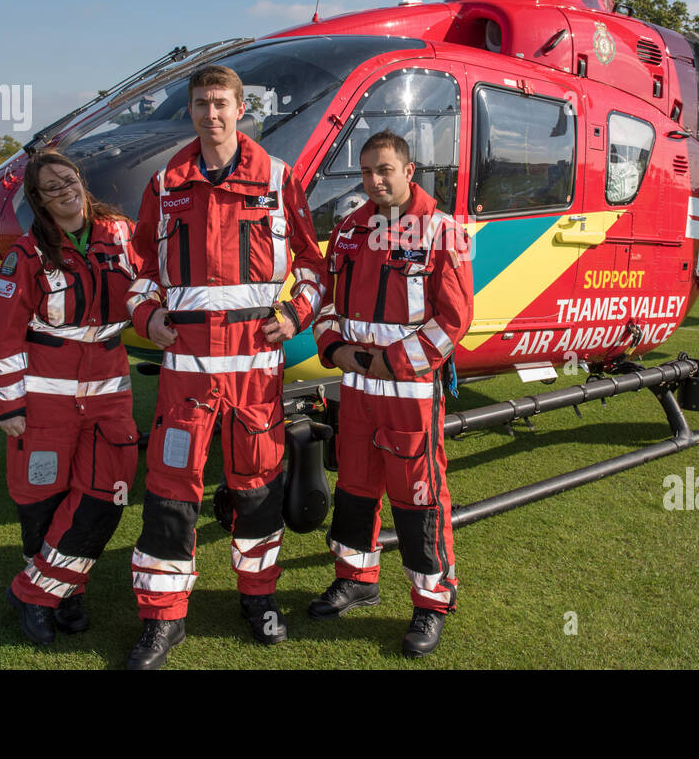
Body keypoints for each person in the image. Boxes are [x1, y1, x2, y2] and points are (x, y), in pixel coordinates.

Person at [123, 64, 326, 670]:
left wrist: (294, 316)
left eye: (221, 103)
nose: (211, 114)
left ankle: (259, 600)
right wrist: (146, 316)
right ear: (190, 110)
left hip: (256, 377)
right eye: (201, 103)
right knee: (169, 493)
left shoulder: (278, 180)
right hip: (186, 374)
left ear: (243, 109)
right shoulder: (165, 183)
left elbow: (316, 270)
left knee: (257, 490)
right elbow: (137, 270)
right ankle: (163, 621)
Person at [310, 130, 474, 658]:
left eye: (385, 169)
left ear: (409, 170)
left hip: (410, 393)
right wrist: (334, 350)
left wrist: (392, 360)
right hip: (355, 389)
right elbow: (327, 307)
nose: (375, 180)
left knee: (418, 497)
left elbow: (454, 321)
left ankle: (431, 603)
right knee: (356, 488)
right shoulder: (348, 233)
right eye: (366, 172)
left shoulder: (445, 231)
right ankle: (357, 578)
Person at [0, 150, 141, 646]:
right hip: (45, 398)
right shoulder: (26, 256)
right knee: (42, 501)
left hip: (109, 394)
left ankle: (33, 593)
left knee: (105, 496)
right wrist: (9, 405)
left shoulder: (121, 235)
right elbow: (3, 334)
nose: (64, 191)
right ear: (38, 199)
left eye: (67, 179)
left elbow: (155, 281)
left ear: (81, 180)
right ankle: (65, 595)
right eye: (50, 187)